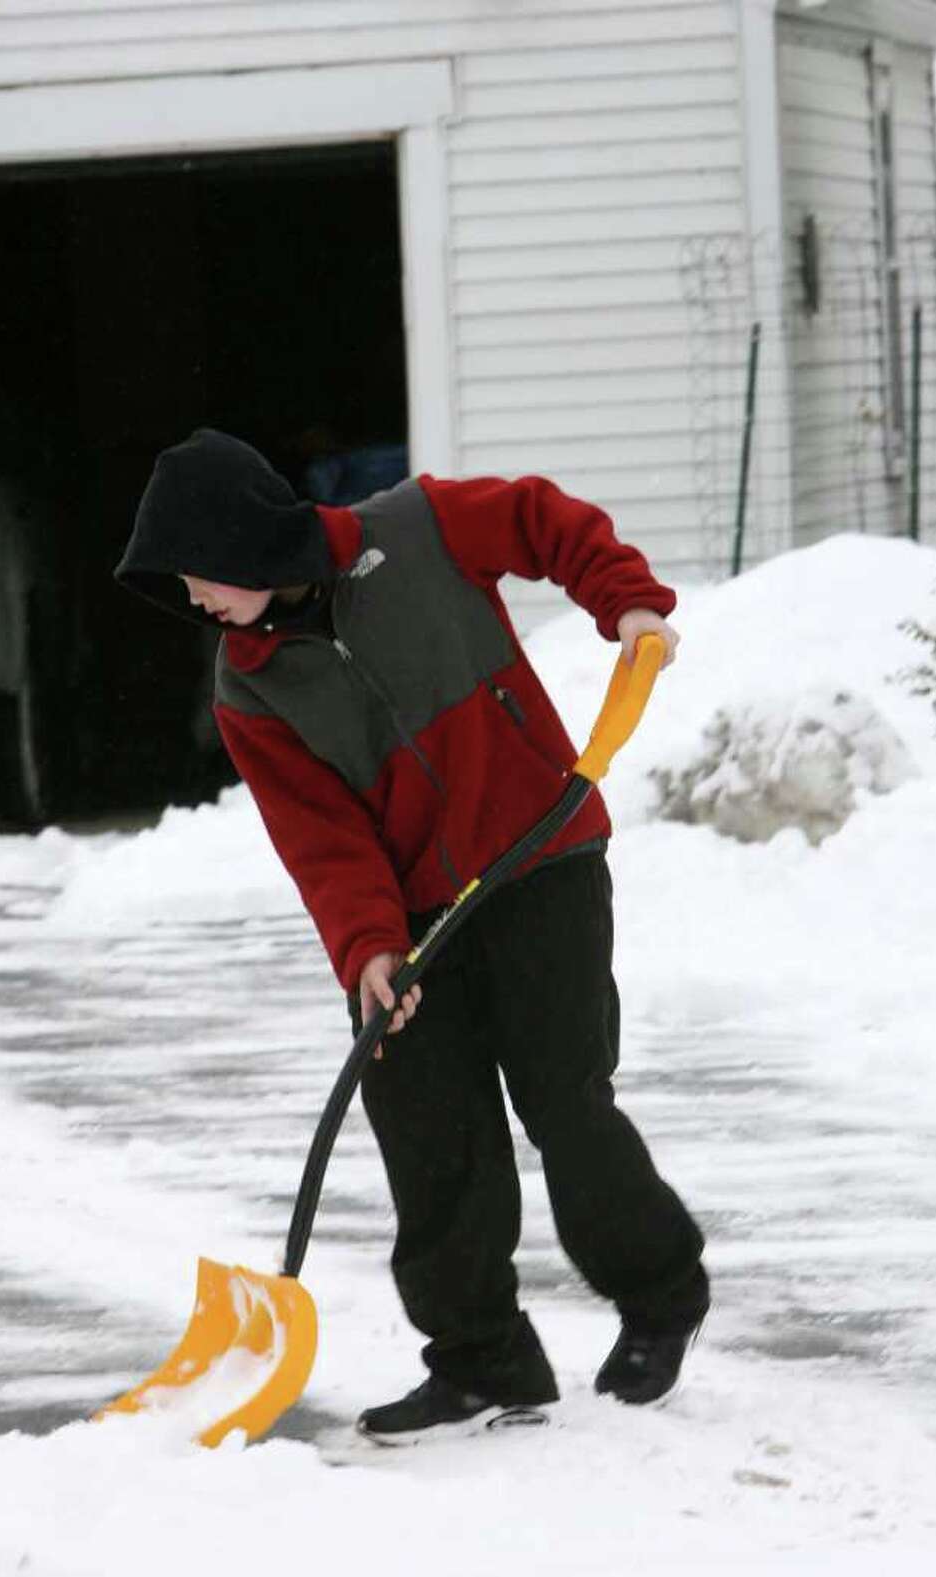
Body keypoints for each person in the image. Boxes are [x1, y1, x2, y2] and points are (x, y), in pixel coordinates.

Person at [116, 428, 710, 1443]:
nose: (197, 599)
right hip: (415, 911)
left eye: (201, 574)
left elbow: (540, 518)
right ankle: (483, 1357)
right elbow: (323, 840)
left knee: (564, 1098)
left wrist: (630, 598)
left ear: (249, 541)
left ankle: (660, 1294)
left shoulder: (417, 526)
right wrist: (369, 951)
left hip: (541, 864)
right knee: (424, 1113)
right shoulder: (248, 684)